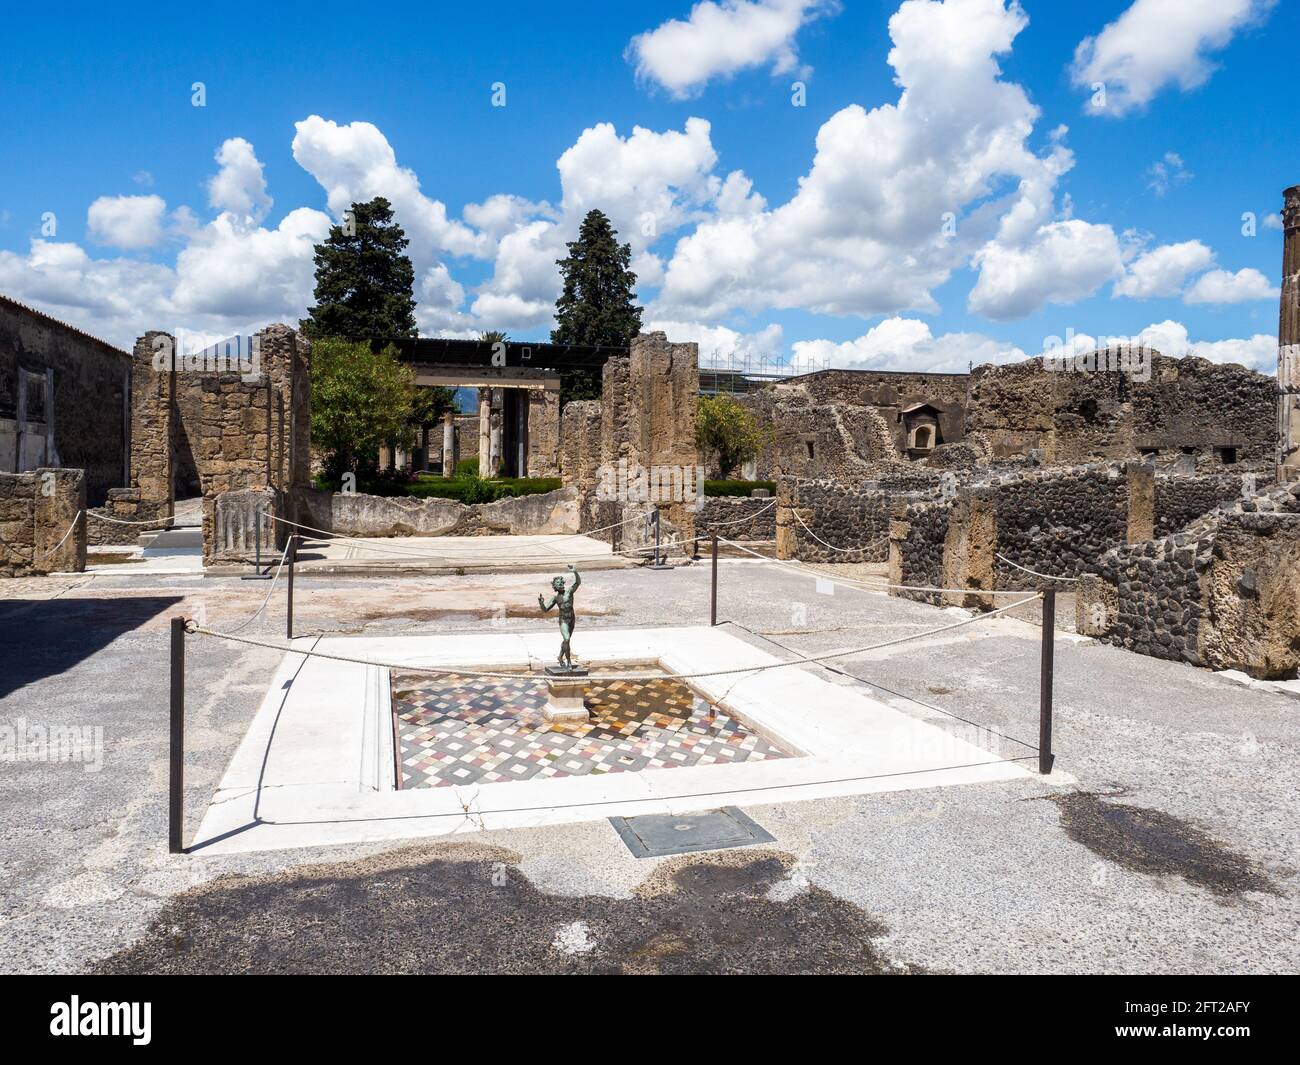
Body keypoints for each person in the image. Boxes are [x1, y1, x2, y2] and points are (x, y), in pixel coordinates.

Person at [538, 564, 581, 669]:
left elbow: (578, 583)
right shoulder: (555, 598)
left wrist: (575, 572)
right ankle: (569, 661)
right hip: (563, 620)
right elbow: (545, 609)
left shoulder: (569, 592)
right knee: (566, 638)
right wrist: (541, 603)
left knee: (567, 640)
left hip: (572, 618)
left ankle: (560, 657)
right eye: (558, 583)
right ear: (555, 587)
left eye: (561, 582)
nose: (560, 584)